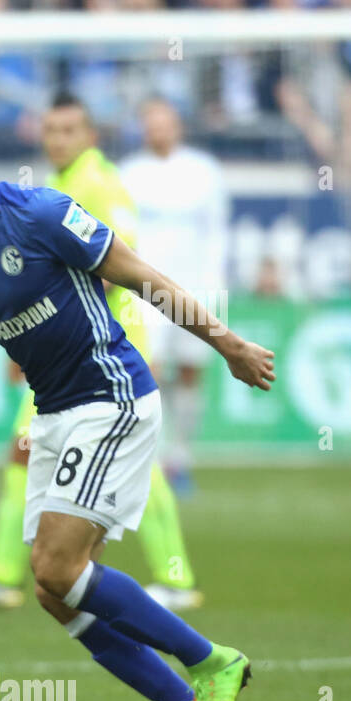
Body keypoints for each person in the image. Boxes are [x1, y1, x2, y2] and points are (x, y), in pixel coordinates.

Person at [0, 104, 273, 701]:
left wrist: (229, 345)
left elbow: (146, 279)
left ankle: (213, 663)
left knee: (55, 567)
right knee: (54, 592)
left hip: (113, 397)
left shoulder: (43, 214)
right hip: (55, 412)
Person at [0, 92, 203, 614]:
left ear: (90, 136)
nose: (57, 140)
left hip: (102, 349)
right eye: (50, 130)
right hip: (64, 348)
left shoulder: (99, 184)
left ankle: (175, 577)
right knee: (24, 451)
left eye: (68, 131)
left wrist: (42, 330)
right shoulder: (62, 186)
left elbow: (121, 267)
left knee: (130, 462)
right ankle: (4, 573)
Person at [120, 97, 230, 496]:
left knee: (188, 373)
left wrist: (216, 284)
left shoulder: (204, 172)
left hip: (195, 286)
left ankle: (180, 459)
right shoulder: (128, 174)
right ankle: (151, 462)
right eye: (150, 124)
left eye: (164, 123)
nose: (158, 131)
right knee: (148, 371)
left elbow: (218, 232)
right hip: (146, 290)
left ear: (177, 126)